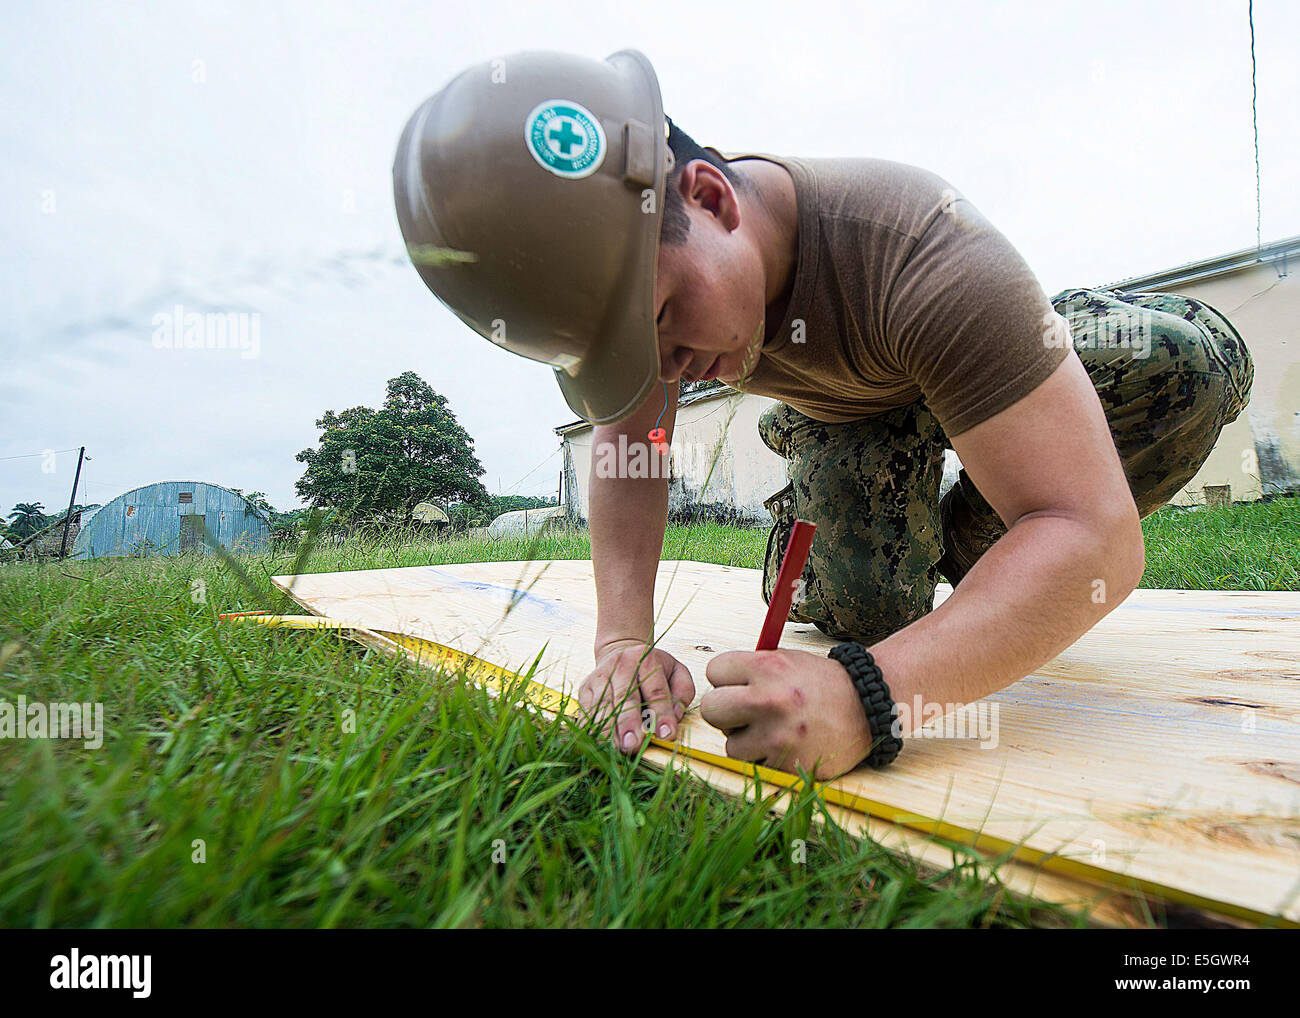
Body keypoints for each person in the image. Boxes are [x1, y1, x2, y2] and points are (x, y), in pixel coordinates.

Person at [393, 48, 1254, 779]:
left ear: (712, 199)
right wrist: (622, 641)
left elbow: (1096, 536)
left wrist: (866, 699)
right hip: (854, 415)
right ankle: (879, 512)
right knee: (873, 613)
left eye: (659, 325)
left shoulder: (922, 250)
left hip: (974, 362)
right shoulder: (643, 295)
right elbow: (633, 442)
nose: (666, 376)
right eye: (628, 361)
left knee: (1179, 370)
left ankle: (995, 491)